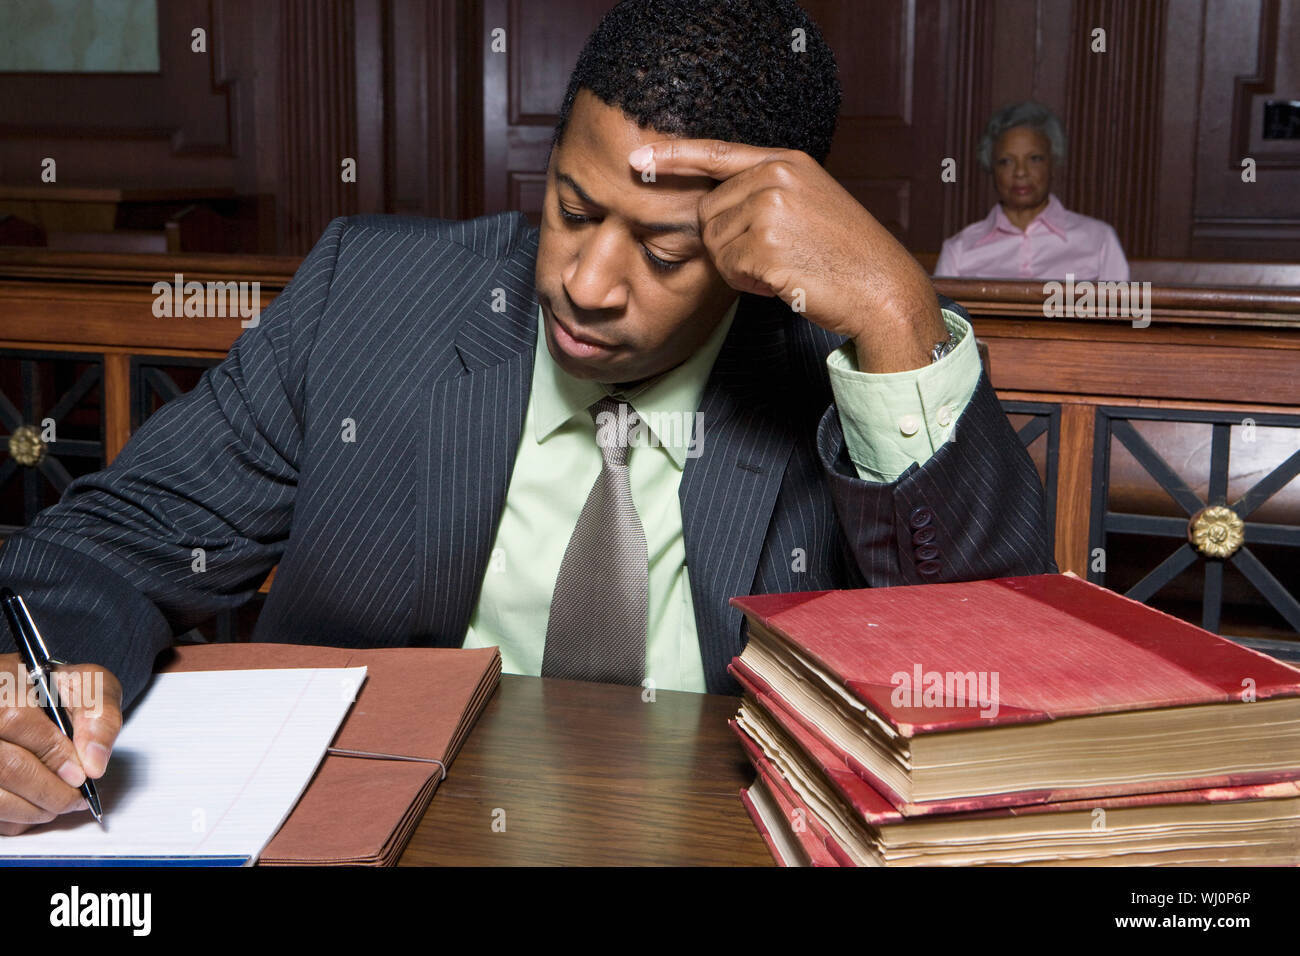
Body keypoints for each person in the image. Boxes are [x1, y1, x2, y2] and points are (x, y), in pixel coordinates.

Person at [0, 0, 1053, 835]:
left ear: (754, 249)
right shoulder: (369, 300)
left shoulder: (842, 365)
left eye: (664, 250)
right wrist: (37, 698)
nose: (587, 283)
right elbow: (105, 548)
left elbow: (991, 682)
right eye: (572, 208)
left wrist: (895, 309)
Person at [934, 101, 1129, 281]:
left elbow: (1122, 316)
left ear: (1053, 164)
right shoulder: (958, 250)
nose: (1020, 172)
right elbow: (938, 318)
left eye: (1034, 159)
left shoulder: (1099, 240)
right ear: (991, 168)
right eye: (1006, 161)